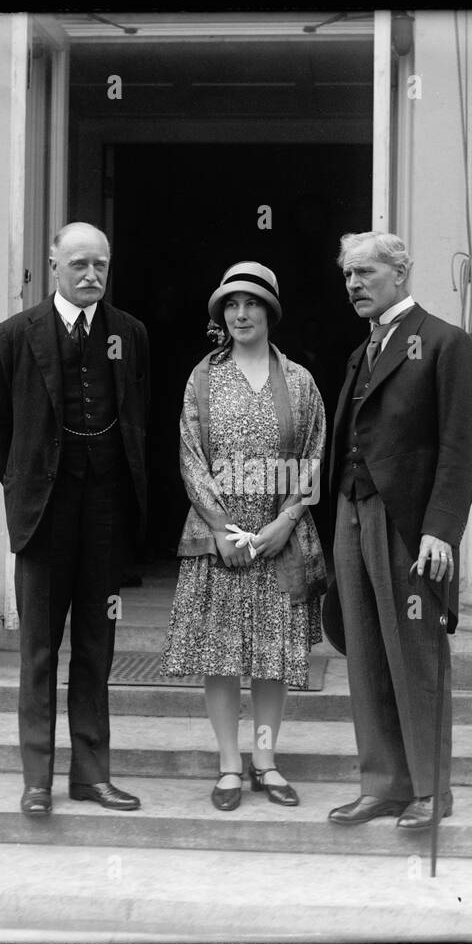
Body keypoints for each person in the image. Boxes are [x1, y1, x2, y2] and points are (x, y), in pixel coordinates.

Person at [0, 222, 149, 816]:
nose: (91, 275)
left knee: (97, 649)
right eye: (78, 264)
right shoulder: (16, 335)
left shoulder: (129, 334)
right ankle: (37, 781)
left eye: (100, 264)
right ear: (53, 265)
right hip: (44, 519)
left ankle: (92, 776)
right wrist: (30, 485)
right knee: (39, 652)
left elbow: (137, 422)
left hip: (103, 515)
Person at [325, 231, 472, 831]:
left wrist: (440, 530)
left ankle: (430, 790)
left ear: (402, 272)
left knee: (415, 653)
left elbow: (462, 446)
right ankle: (383, 784)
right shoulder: (360, 351)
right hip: (351, 510)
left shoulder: (446, 343)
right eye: (348, 276)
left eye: (366, 272)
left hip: (409, 526)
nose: (355, 285)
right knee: (366, 651)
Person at [163, 261, 327, 811]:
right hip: (220, 543)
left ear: (270, 311)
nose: (240, 313)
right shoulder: (203, 378)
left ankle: (266, 761)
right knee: (222, 655)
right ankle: (229, 766)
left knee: (271, 657)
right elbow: (190, 456)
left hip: (279, 540)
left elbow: (314, 459)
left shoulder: (300, 381)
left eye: (251, 303)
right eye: (231, 305)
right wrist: (221, 530)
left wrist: (284, 524)